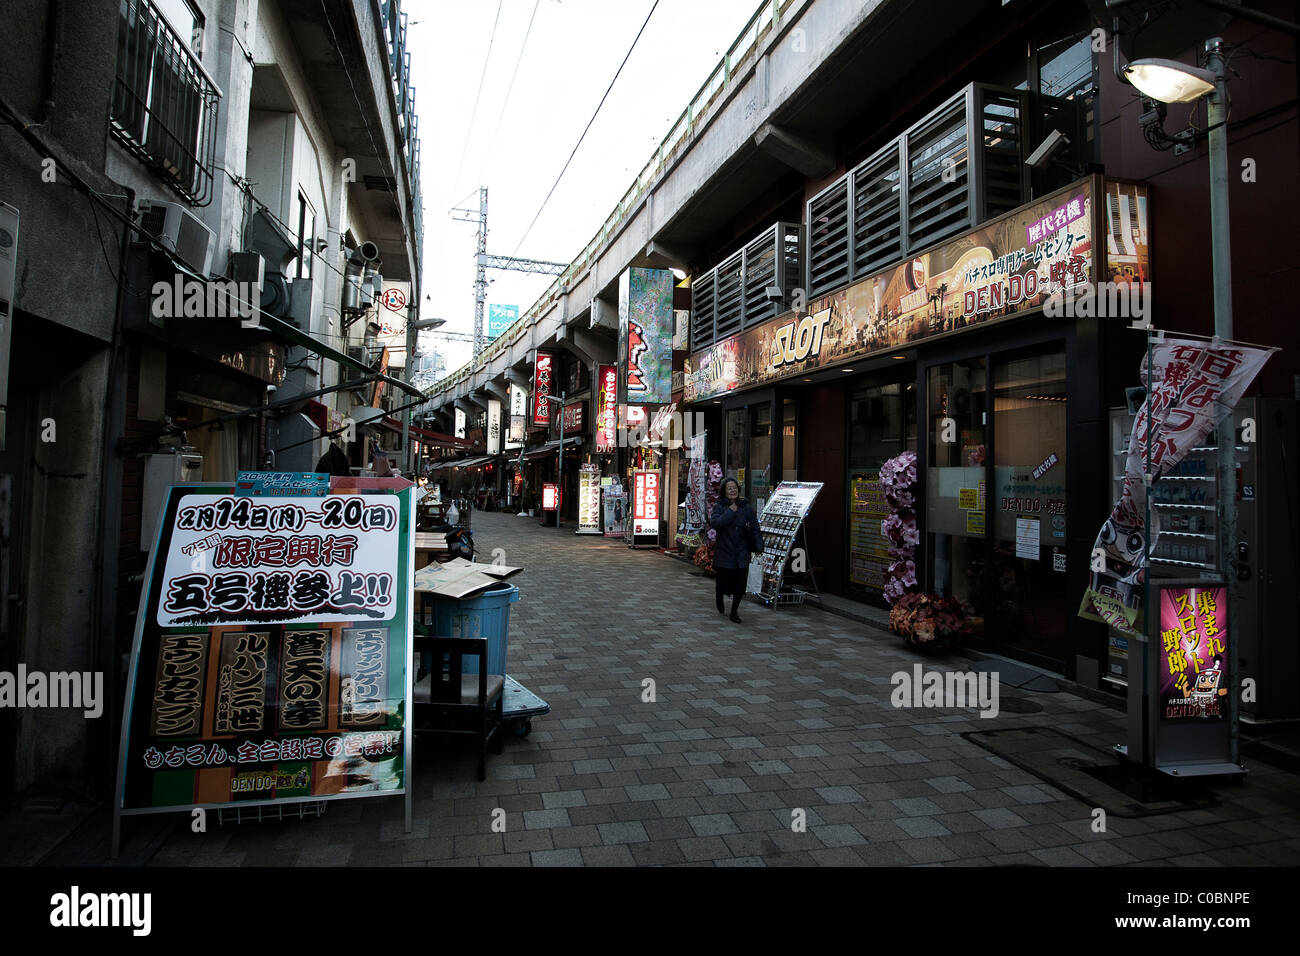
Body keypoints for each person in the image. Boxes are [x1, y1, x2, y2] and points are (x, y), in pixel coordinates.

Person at [710, 476, 763, 623]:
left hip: (742, 550)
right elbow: (715, 523)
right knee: (722, 581)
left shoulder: (746, 506)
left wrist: (759, 546)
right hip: (724, 550)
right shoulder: (719, 505)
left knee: (740, 583)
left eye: (734, 488)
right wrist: (730, 511)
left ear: (738, 490)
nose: (732, 490)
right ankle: (719, 595)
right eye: (729, 488)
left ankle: (734, 611)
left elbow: (754, 527)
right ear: (724, 491)